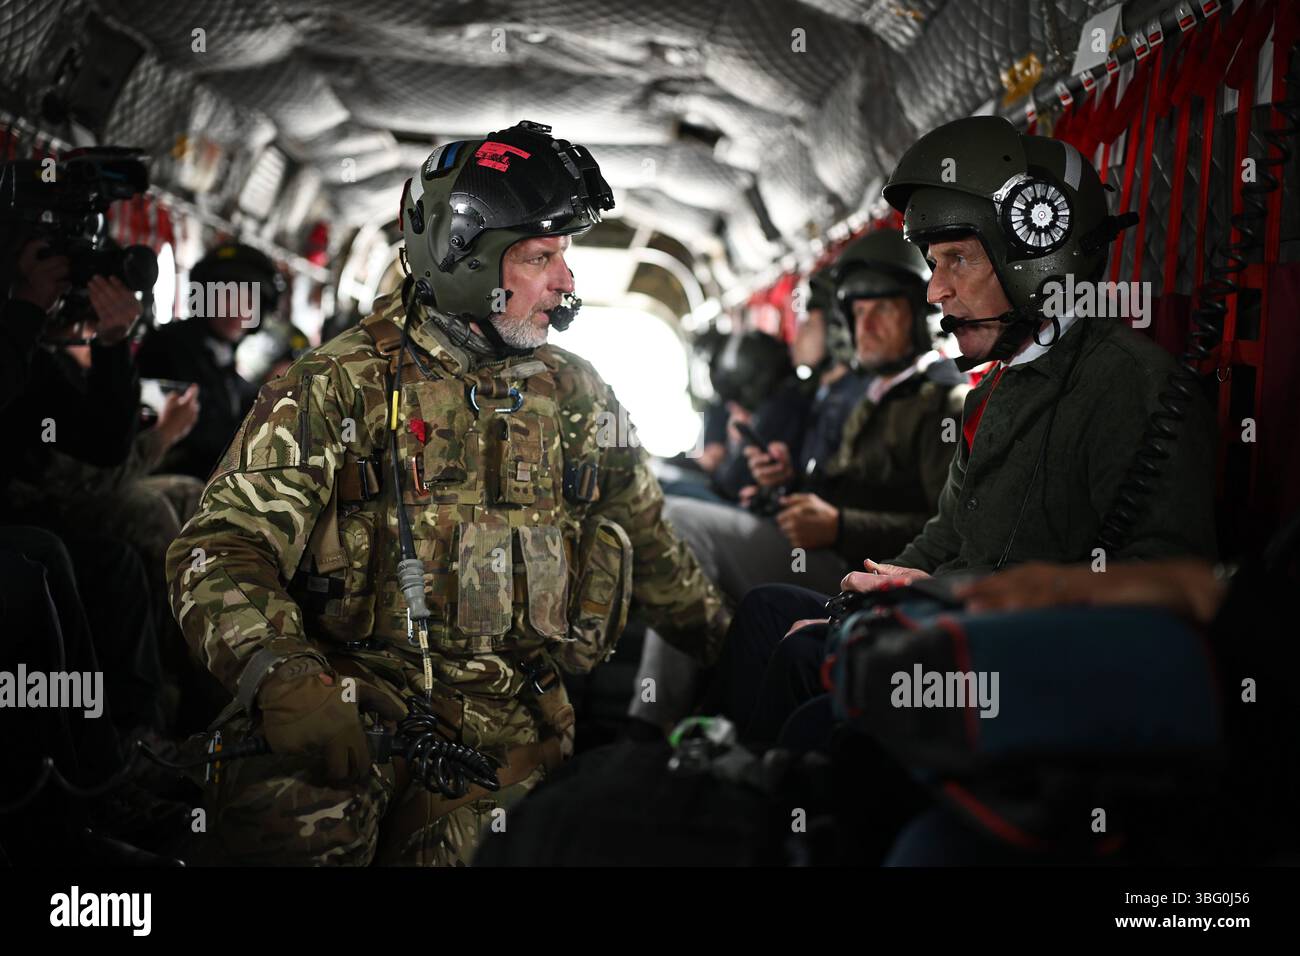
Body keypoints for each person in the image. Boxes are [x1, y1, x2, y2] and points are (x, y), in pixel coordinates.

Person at [164, 120, 731, 866]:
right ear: (466, 260)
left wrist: (748, 651)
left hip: (512, 734)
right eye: (540, 257)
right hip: (353, 709)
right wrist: (283, 674)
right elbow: (220, 546)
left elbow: (655, 552)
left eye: (564, 255)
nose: (566, 282)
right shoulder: (337, 385)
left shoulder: (578, 396)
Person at [715, 115, 1217, 749]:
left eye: (957, 259)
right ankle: (725, 777)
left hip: (1023, 661)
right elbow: (948, 532)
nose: (936, 290)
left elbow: (1167, 586)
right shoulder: (995, 387)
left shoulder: (1133, 386)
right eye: (932, 262)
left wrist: (940, 596)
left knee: (804, 672)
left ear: (1039, 253)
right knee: (769, 612)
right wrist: (881, 582)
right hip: (955, 622)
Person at [631, 229, 968, 730]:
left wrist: (839, 525)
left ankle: (651, 725)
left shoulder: (942, 400)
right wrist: (785, 487)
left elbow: (940, 530)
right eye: (856, 313)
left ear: (920, 318)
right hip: (827, 550)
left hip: (860, 566)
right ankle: (697, 710)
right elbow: (847, 487)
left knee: (681, 521)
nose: (865, 326)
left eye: (884, 310)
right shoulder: (879, 395)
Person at [134, 242, 283, 480]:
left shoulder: (227, 371)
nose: (237, 311)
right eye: (227, 297)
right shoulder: (168, 346)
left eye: (248, 302)